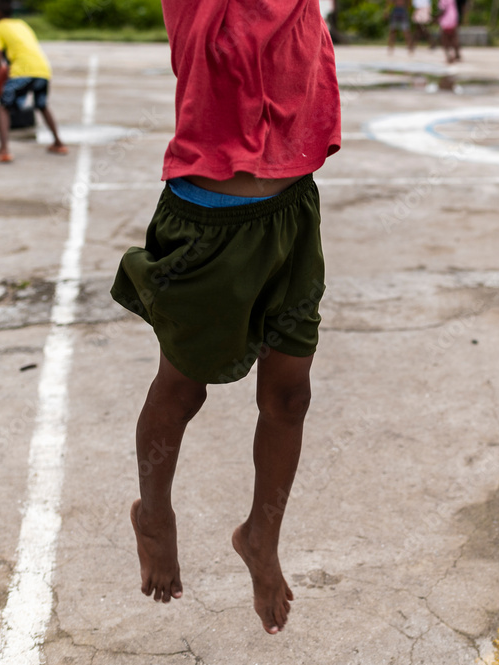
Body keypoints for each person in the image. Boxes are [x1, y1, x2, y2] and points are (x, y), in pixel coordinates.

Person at [109, 0, 341, 636]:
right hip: (208, 223)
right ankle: (153, 515)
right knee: (182, 392)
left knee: (290, 397)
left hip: (293, 211)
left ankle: (260, 536)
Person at [0, 0, 66, 162]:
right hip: (42, 70)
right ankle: (58, 143)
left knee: (3, 107)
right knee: (42, 105)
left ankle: (3, 150)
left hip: (22, 72)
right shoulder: (21, 24)